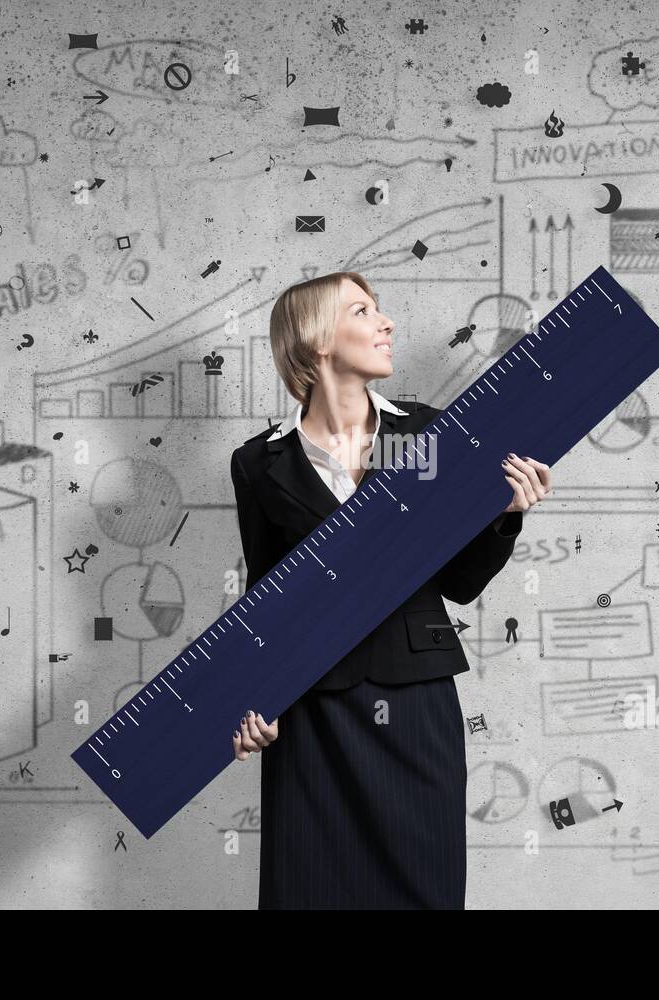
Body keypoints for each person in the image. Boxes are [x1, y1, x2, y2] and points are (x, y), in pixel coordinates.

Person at [228, 271, 552, 909]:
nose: (387, 323)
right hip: (312, 713)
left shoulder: (430, 436)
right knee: (307, 890)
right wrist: (248, 707)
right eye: (363, 311)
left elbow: (459, 583)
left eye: (380, 310)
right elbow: (266, 605)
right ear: (318, 339)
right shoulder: (257, 462)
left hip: (415, 699)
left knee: (423, 886)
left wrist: (507, 517)